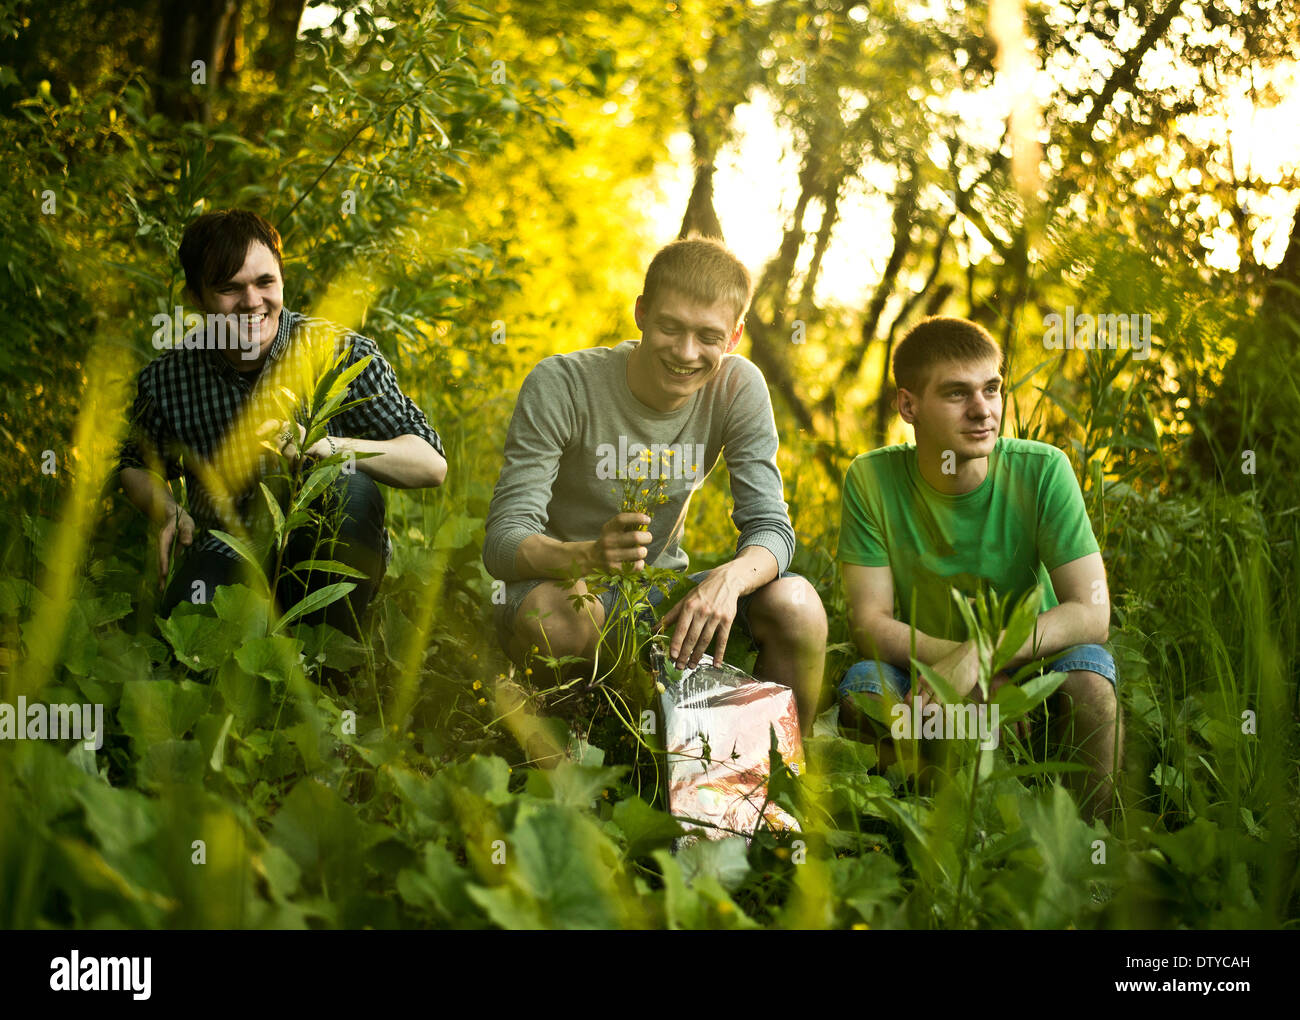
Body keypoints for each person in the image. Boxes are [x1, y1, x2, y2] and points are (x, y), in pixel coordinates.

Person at [482, 237, 826, 751]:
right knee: (565, 618)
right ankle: (564, 750)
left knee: (798, 604)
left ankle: (780, 770)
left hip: (661, 600)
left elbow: (771, 530)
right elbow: (503, 542)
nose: (686, 353)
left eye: (708, 336)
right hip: (562, 588)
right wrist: (588, 556)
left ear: (733, 336)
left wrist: (728, 582)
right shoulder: (563, 383)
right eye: (670, 327)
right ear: (641, 313)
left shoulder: (737, 387)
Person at [836, 316, 1122, 822]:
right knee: (863, 697)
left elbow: (1092, 613)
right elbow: (869, 622)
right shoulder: (871, 478)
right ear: (909, 406)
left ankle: (1089, 853)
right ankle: (910, 838)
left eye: (992, 389)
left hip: (1035, 655)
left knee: (1091, 688)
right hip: (923, 664)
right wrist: (958, 668)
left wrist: (985, 656)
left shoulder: (1043, 469)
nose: (982, 410)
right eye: (956, 394)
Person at [117, 209, 447, 639]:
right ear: (195, 297)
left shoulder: (339, 353)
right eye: (228, 288)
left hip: (318, 552)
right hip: (223, 547)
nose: (252, 302)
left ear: (282, 279)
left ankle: (326, 669)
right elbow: (132, 462)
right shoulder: (169, 378)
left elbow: (431, 464)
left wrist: (324, 446)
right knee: (187, 638)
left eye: (264, 282)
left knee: (350, 487)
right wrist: (168, 512)